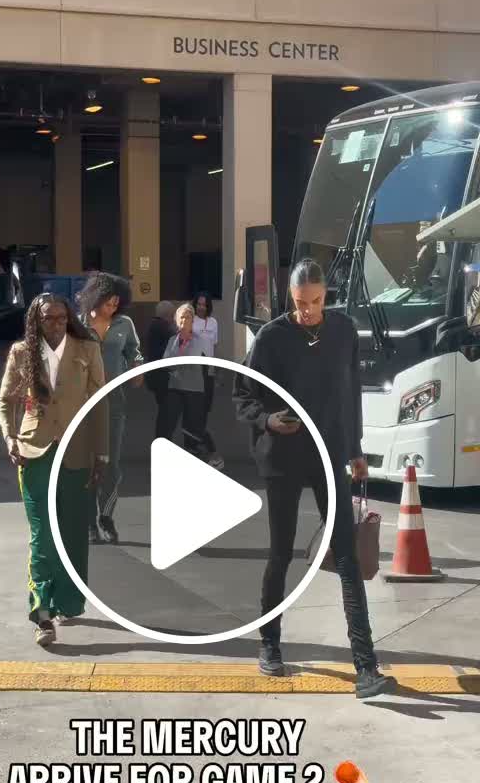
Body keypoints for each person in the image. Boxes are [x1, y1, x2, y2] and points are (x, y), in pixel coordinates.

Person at [233, 259, 397, 700]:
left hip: (330, 455)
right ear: (291, 297)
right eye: (301, 303)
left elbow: (351, 392)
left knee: (347, 557)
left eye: (317, 302)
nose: (308, 310)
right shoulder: (271, 338)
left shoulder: (343, 331)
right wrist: (267, 419)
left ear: (327, 296)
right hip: (283, 459)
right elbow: (241, 393)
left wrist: (357, 448)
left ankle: (365, 665)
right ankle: (269, 642)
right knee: (282, 553)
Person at [0, 293, 109, 648]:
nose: (56, 325)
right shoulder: (21, 353)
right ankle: (42, 612)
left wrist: (102, 454)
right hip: (35, 452)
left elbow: (100, 404)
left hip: (77, 452)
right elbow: (5, 401)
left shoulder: (87, 350)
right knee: (42, 533)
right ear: (36, 321)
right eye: (48, 319)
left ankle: (67, 600)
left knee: (73, 531)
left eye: (61, 318)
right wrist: (11, 439)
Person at [78, 271, 143, 545]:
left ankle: (106, 517)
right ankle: (89, 522)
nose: (113, 306)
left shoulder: (124, 324)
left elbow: (134, 351)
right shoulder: (79, 326)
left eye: (117, 302)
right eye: (108, 302)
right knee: (87, 462)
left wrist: (138, 366)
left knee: (111, 464)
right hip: (83, 403)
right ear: (96, 298)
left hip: (114, 401)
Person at [157, 303, 208, 455]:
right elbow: (166, 360)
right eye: (180, 318)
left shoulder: (199, 340)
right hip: (175, 386)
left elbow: (191, 360)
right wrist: (175, 363)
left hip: (193, 387)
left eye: (187, 317)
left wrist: (176, 362)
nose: (183, 321)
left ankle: (193, 452)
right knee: (169, 420)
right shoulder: (173, 339)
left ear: (192, 321)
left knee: (192, 424)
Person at [192, 291, 223, 468]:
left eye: (204, 304)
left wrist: (216, 372)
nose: (201, 307)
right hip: (195, 374)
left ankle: (200, 451)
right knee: (196, 416)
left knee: (203, 414)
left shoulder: (213, 323)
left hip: (208, 374)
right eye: (199, 304)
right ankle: (211, 452)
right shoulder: (191, 320)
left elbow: (214, 347)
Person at [145, 301, 176, 435]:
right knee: (167, 413)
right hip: (162, 377)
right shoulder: (163, 328)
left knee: (165, 410)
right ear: (168, 315)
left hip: (155, 376)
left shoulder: (153, 326)